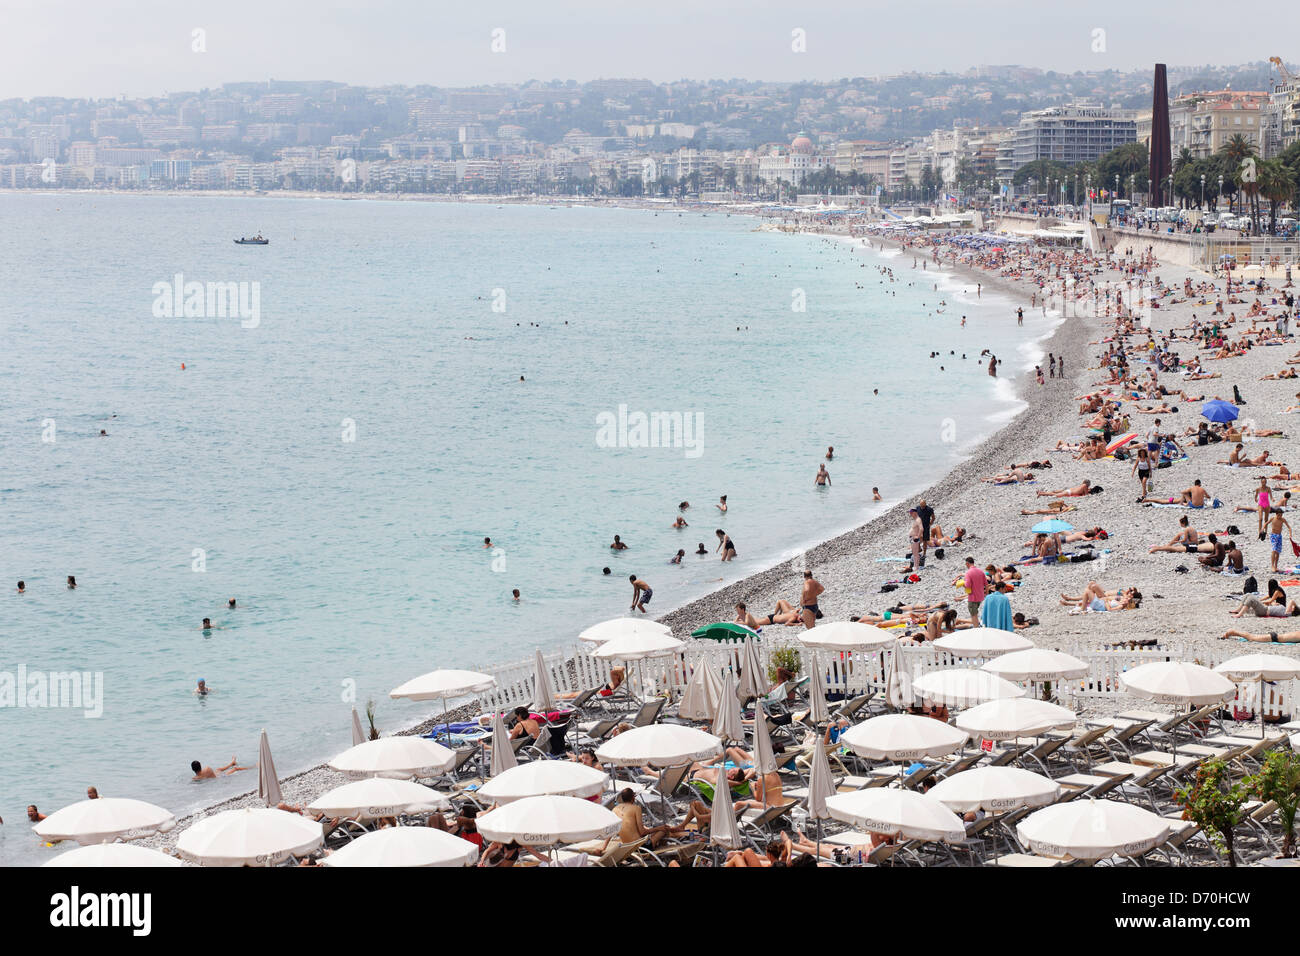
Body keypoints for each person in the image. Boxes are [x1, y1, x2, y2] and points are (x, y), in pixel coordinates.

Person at [611, 788, 680, 848]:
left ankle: (660, 844)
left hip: (626, 848)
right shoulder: (636, 808)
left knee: (655, 831)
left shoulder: (615, 809)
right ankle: (662, 849)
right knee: (663, 830)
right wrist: (659, 828)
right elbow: (642, 832)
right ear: (633, 798)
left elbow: (611, 830)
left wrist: (603, 847)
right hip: (641, 848)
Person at [962, 556, 986, 627]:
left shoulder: (968, 573)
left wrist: (961, 584)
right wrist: (986, 594)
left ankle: (976, 628)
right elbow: (986, 584)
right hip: (980, 597)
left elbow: (968, 586)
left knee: (973, 614)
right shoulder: (980, 571)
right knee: (976, 612)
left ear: (967, 563)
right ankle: (977, 626)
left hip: (973, 597)